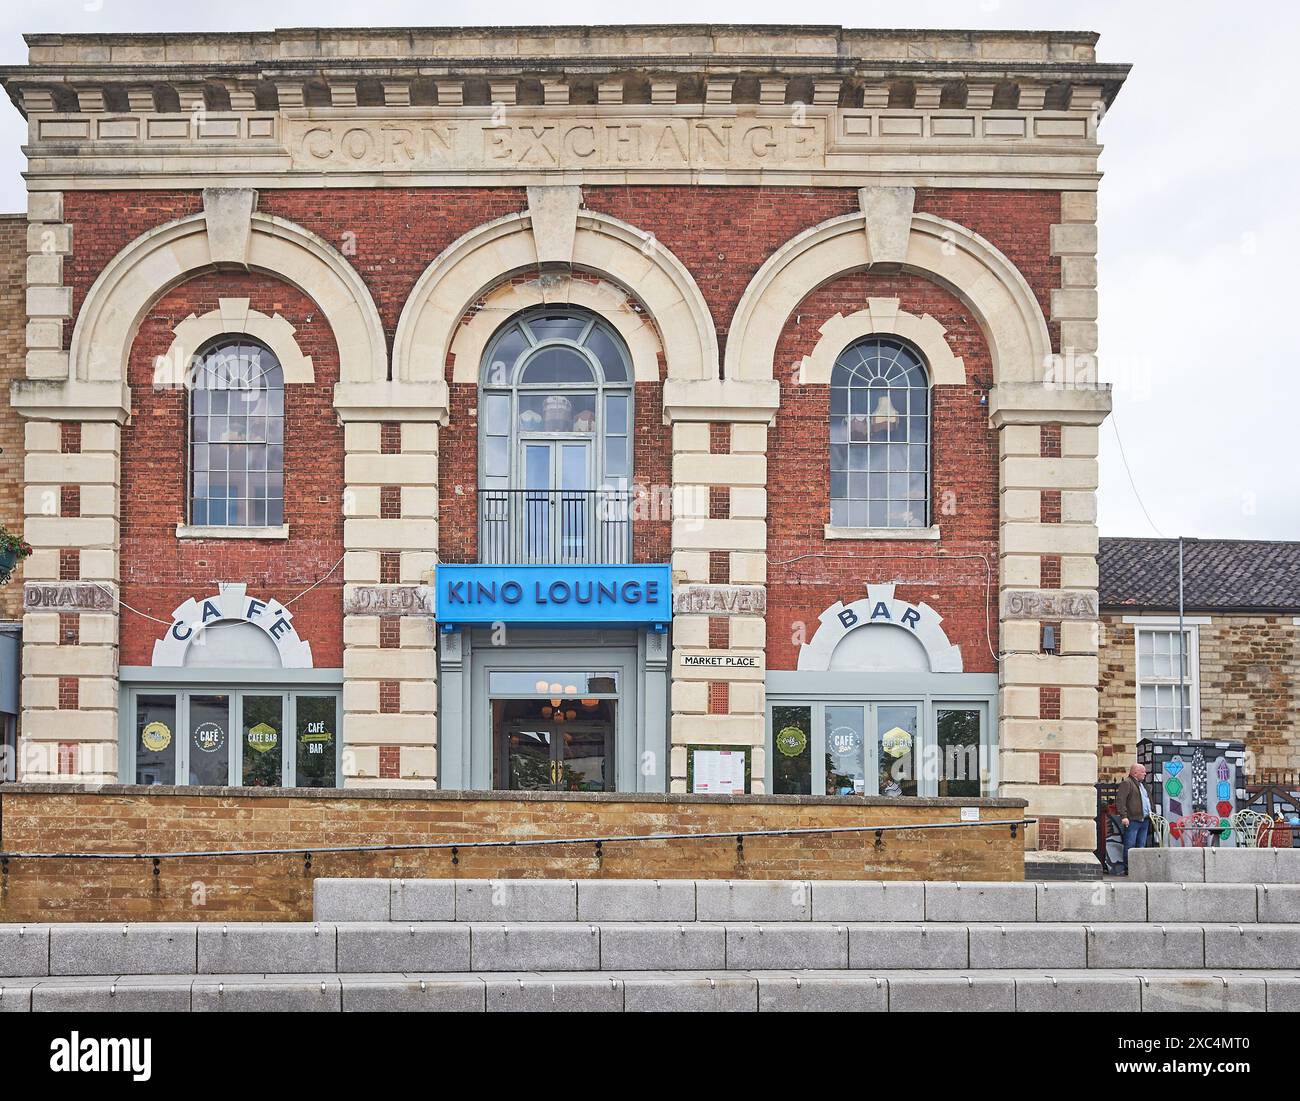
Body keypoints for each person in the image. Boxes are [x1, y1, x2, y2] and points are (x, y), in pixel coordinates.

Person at [1114, 762, 1151, 875]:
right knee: (1130, 845)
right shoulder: (1127, 783)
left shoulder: (1142, 785)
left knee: (1141, 845)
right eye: (1143, 771)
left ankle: (1138, 868)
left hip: (1144, 819)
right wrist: (1124, 816)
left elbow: (1147, 800)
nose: (1145, 773)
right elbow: (1121, 801)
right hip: (1133, 819)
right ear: (1135, 773)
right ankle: (1129, 868)